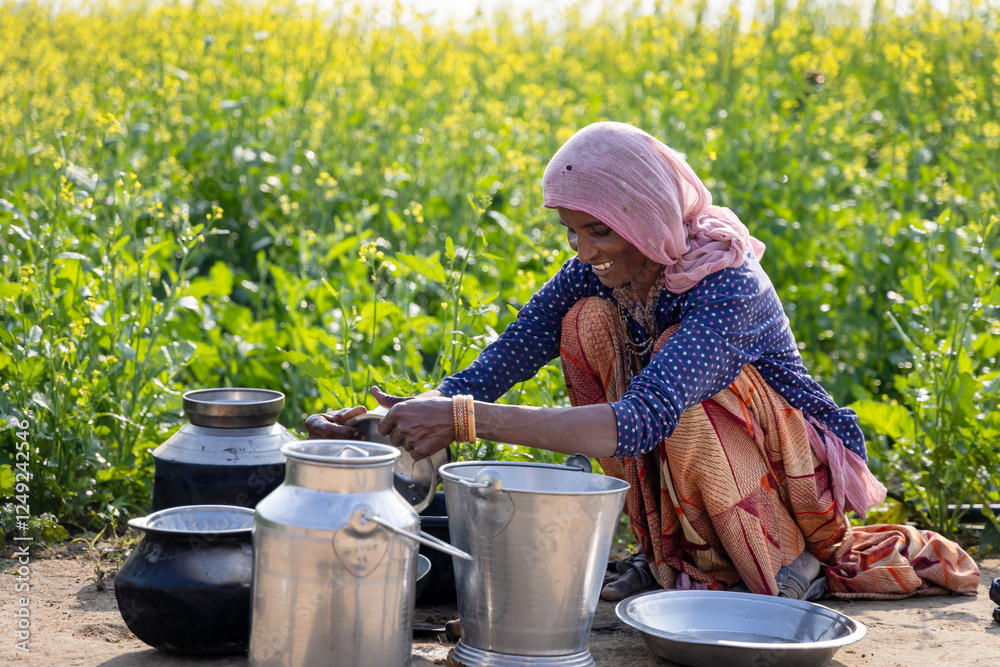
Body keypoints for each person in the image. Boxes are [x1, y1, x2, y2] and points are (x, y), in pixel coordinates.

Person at [306, 121, 979, 601]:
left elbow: (639, 420)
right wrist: (387, 419)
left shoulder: (727, 286)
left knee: (679, 401)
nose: (583, 247)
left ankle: (782, 558)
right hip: (694, 444)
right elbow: (504, 357)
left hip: (786, 473)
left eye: (599, 228)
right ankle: (672, 558)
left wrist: (463, 419)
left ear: (646, 213)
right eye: (571, 228)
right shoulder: (603, 272)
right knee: (585, 324)